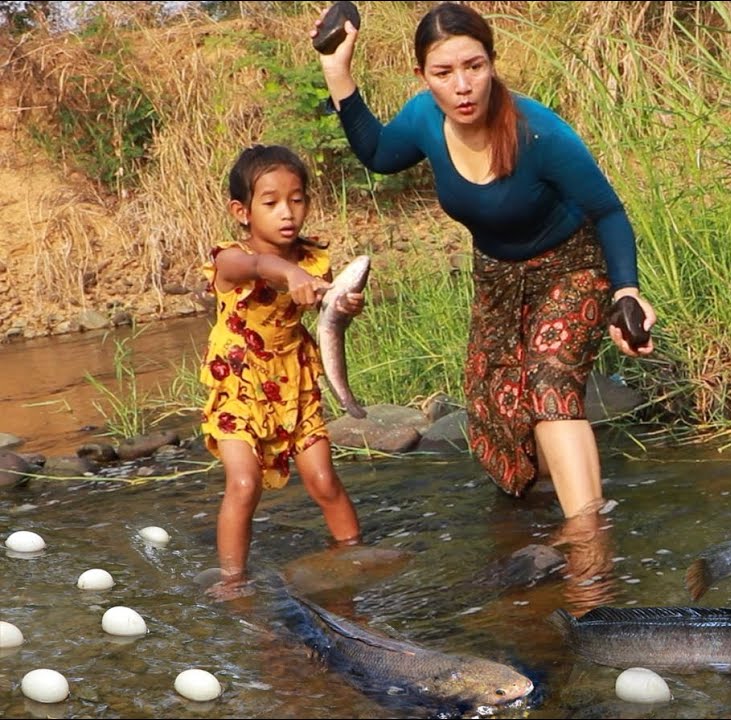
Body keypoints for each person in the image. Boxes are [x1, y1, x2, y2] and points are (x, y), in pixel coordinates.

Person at [311, 2, 657, 523]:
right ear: (423, 76)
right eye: (443, 73)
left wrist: (625, 292)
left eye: (474, 66)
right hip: (496, 277)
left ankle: (589, 539)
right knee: (497, 414)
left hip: (572, 265)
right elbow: (380, 155)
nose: (462, 86)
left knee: (550, 382)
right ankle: (540, 517)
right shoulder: (424, 119)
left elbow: (607, 211)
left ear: (493, 63)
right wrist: (337, 70)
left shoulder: (540, 134)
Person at [198, 144, 365, 599]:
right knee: (245, 482)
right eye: (270, 203)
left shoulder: (314, 261)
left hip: (295, 380)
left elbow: (329, 314)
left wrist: (344, 306)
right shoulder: (229, 259)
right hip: (239, 382)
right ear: (242, 212)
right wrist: (288, 276)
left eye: (297, 199)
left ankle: (353, 556)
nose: (287, 212)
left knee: (324, 480)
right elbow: (257, 266)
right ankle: (233, 582)